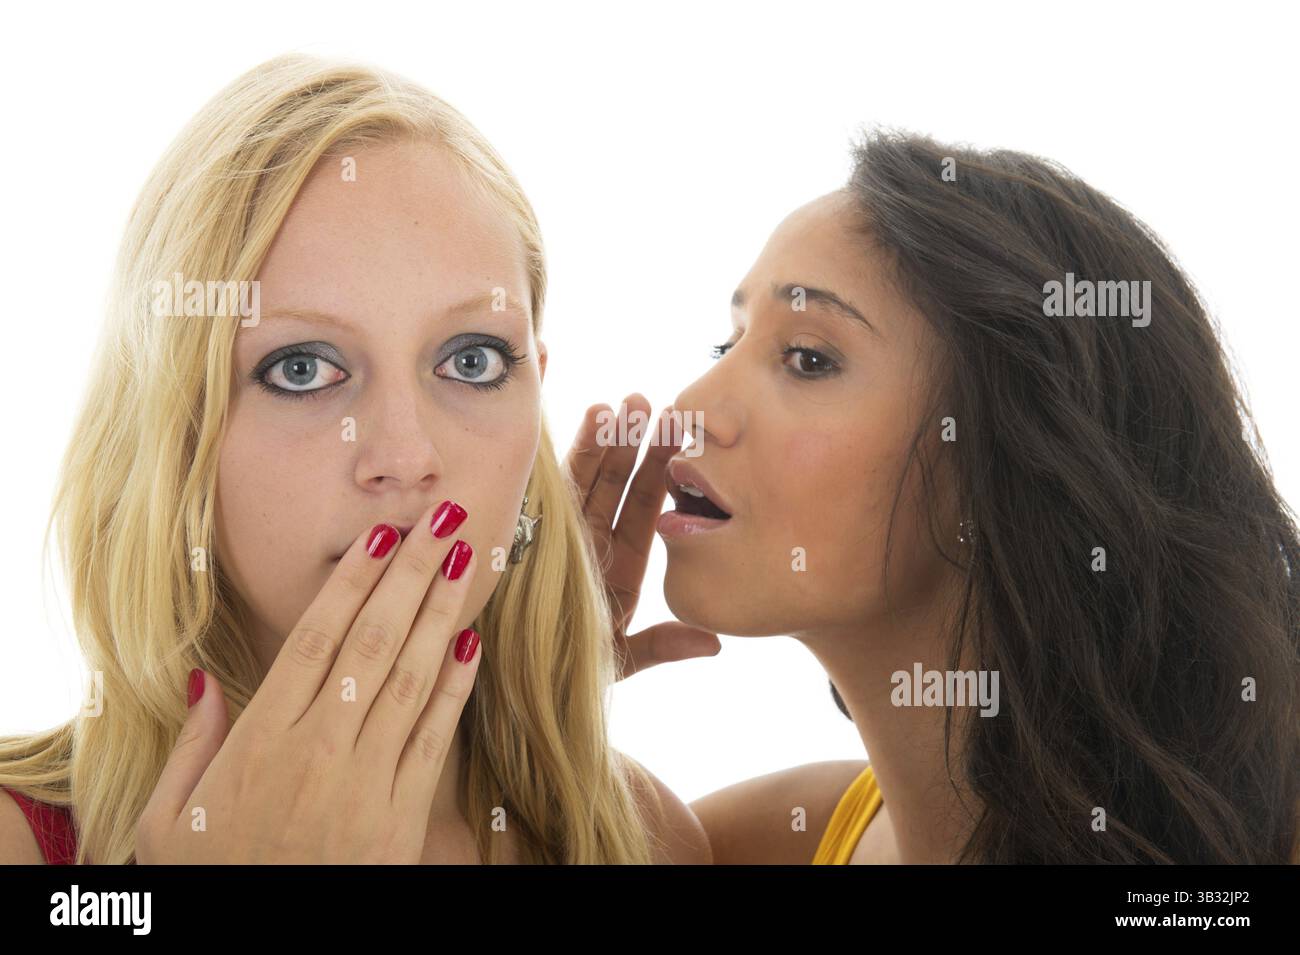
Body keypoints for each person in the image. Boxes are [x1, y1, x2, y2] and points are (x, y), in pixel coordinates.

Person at [0, 53, 709, 864]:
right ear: (174, 427)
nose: (406, 458)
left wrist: (552, 693)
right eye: (302, 368)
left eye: (472, 361)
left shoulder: (641, 837)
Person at [570, 130, 1300, 864]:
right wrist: (525, 670)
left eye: (808, 359)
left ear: (1007, 461)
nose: (692, 407)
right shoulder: (767, 841)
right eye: (725, 346)